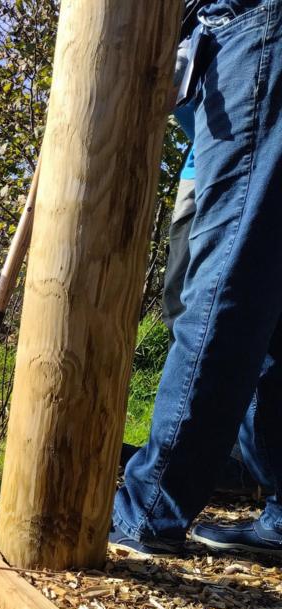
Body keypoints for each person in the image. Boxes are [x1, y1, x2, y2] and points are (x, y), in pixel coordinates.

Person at [111, 0, 282, 557]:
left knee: (229, 275)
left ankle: (150, 506)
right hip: (248, 32)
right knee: (271, 302)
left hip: (255, 24)